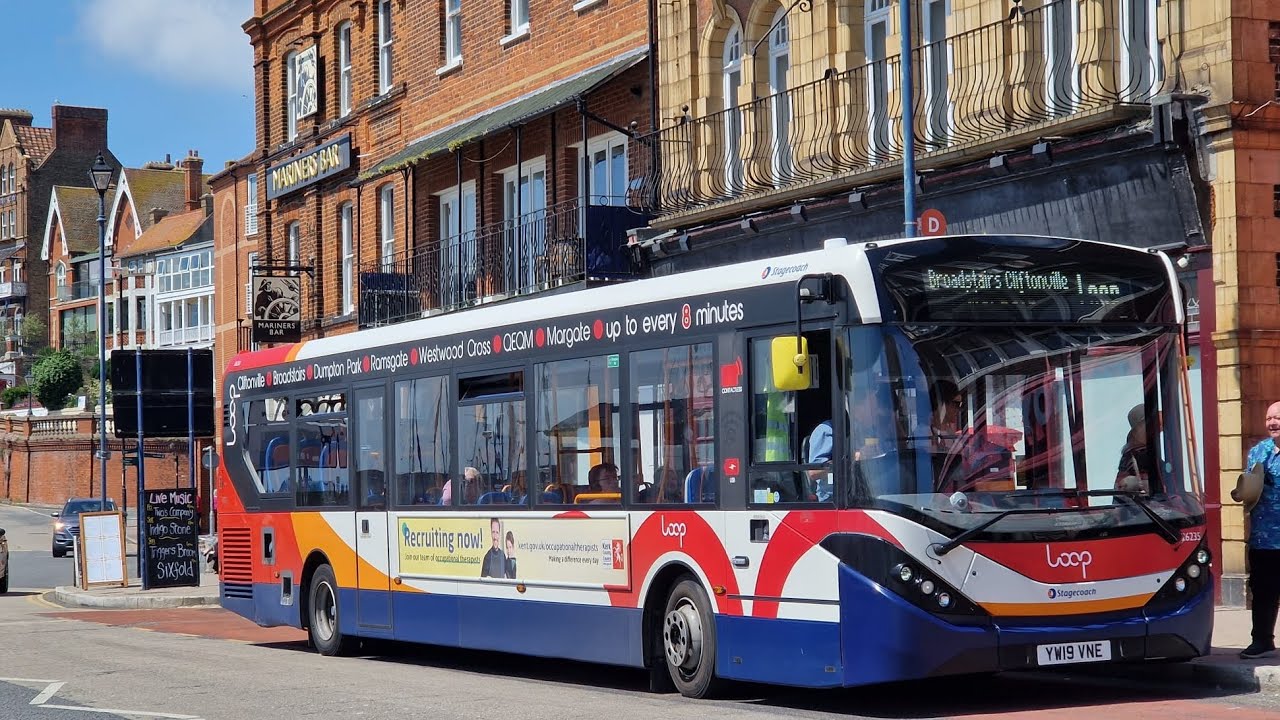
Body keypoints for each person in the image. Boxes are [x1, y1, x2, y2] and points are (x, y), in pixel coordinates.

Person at [1240, 401, 1280, 659]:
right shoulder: (1258, 452)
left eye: (1277, 418)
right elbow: (1248, 486)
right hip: (1264, 537)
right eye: (1269, 418)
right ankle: (1262, 640)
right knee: (1263, 590)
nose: (1272, 423)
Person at [1115, 404, 1154, 494]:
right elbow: (1122, 486)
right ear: (1138, 431)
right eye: (1150, 425)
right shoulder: (1137, 455)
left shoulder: (1147, 453)